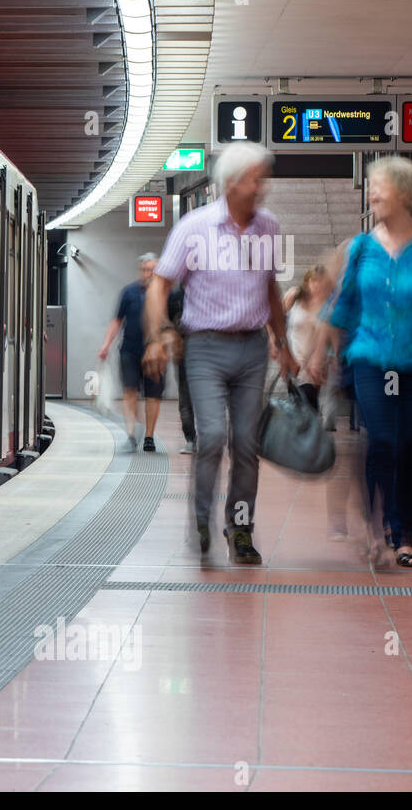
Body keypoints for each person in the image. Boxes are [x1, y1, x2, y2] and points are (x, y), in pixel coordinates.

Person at [143, 142, 300, 563]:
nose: (262, 187)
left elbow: (269, 286)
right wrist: (158, 334)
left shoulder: (268, 227)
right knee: (211, 437)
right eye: (255, 178)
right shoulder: (195, 228)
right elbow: (160, 284)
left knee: (246, 444)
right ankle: (200, 519)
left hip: (251, 348)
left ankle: (241, 529)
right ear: (231, 183)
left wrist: (281, 344)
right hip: (205, 347)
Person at [312, 157, 412, 567]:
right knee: (382, 438)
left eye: (379, 187)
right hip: (371, 359)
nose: (372, 194)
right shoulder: (363, 246)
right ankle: (378, 531)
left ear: (403, 193)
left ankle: (404, 535)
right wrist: (318, 352)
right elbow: (344, 302)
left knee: (410, 446)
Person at [97, 253, 164, 452]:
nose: (148, 273)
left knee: (153, 395)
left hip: (155, 353)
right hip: (130, 350)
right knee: (130, 391)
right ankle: (131, 433)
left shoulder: (164, 293)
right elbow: (117, 320)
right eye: (145, 269)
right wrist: (106, 344)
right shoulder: (128, 292)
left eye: (152, 270)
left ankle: (149, 437)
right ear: (140, 271)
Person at [276, 264, 335, 411]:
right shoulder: (295, 297)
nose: (317, 286)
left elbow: (327, 337)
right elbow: (278, 322)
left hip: (313, 365)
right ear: (307, 282)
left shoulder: (327, 307)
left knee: (308, 404)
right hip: (294, 361)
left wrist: (323, 359)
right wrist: (282, 353)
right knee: (297, 406)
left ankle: (312, 432)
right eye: (314, 281)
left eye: (321, 282)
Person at [167, 281, 196, 453]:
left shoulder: (207, 291)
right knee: (185, 398)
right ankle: (191, 438)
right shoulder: (175, 297)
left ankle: (208, 439)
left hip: (207, 353)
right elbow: (167, 322)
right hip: (184, 354)